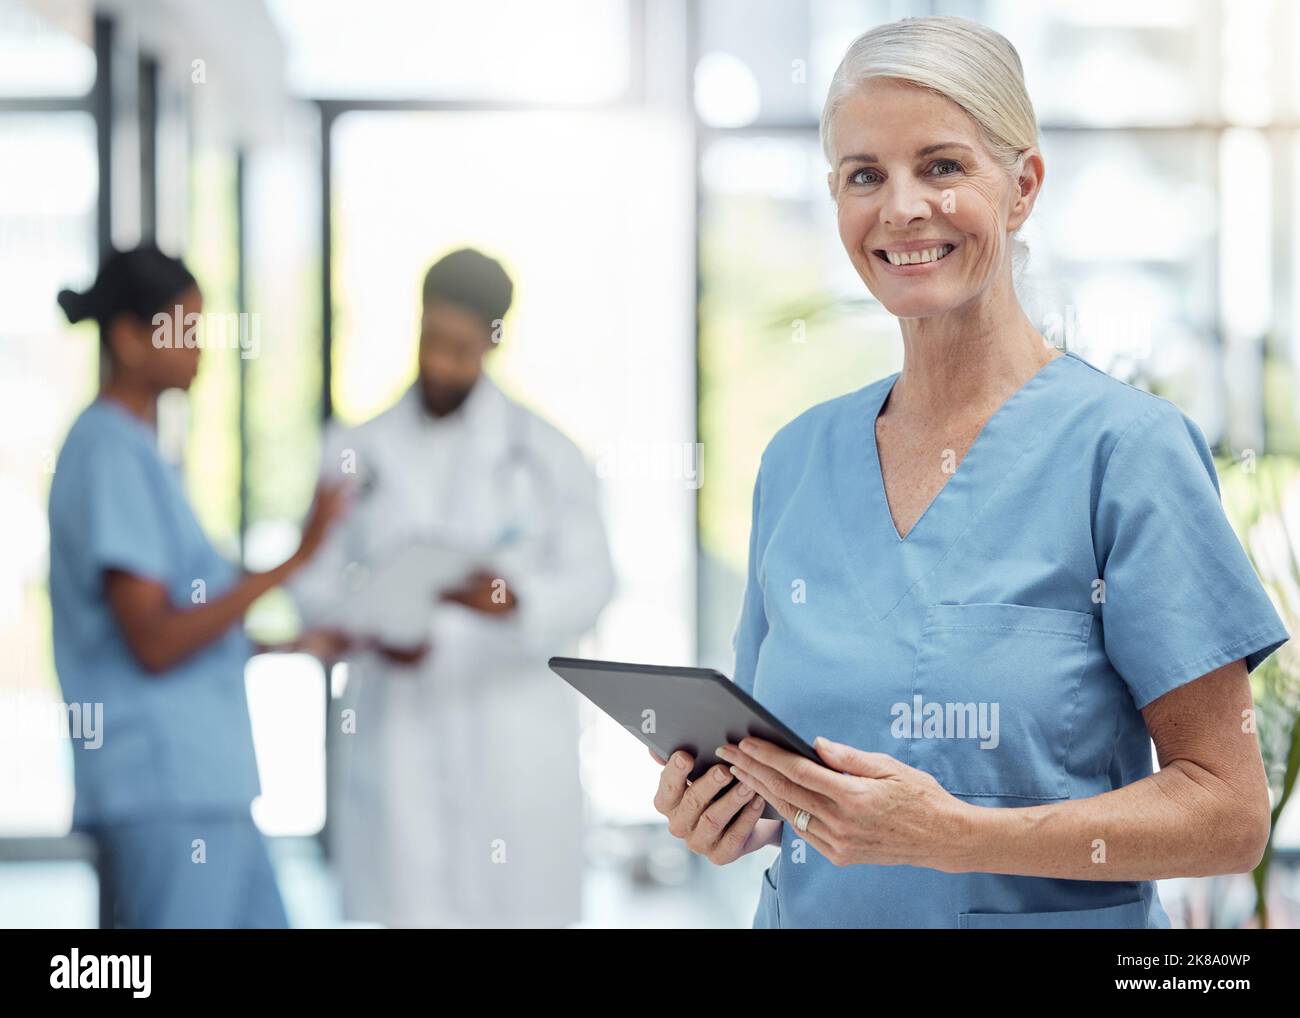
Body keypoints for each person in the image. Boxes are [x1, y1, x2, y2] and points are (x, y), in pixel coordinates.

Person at [651, 15, 1290, 929]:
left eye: (942, 167)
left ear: (1022, 186)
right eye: (864, 175)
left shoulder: (1125, 452)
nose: (901, 207)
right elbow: (789, 780)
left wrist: (956, 834)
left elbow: (1228, 817)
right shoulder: (797, 459)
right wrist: (732, 815)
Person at [289, 247, 615, 928]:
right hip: (399, 727)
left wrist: (510, 597)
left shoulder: (547, 454)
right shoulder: (356, 447)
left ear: (494, 341)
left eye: (461, 349)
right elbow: (313, 583)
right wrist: (360, 629)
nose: (440, 362)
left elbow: (593, 584)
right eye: (431, 341)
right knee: (407, 906)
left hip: (512, 733)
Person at [49, 245, 347, 928]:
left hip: (206, 785)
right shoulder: (107, 452)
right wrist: (294, 559)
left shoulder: (142, 454)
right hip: (162, 788)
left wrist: (286, 645)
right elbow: (153, 641)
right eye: (183, 331)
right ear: (127, 338)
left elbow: (191, 624)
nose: (201, 351)